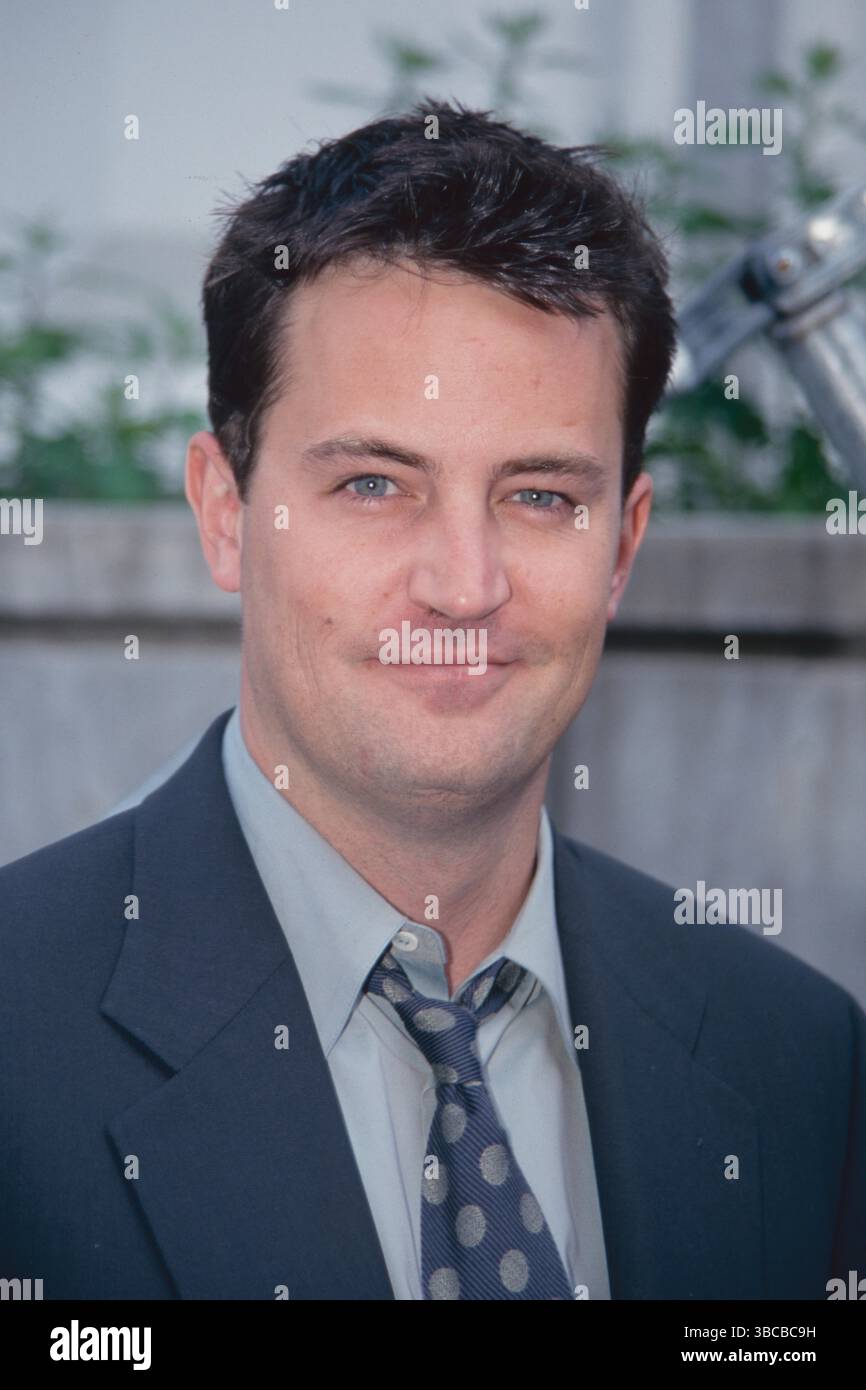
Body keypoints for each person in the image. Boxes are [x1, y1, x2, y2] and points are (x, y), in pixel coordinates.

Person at [1, 100, 863, 1302]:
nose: (463, 586)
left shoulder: (800, 1062)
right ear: (223, 513)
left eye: (540, 496)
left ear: (621, 546)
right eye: (372, 482)